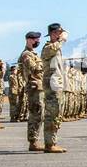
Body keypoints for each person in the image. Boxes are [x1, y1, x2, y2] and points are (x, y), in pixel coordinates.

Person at [40, 23, 68, 153]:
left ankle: (52, 142)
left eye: (61, 32)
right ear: (52, 33)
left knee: (56, 113)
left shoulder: (57, 48)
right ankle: (49, 143)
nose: (60, 34)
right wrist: (62, 40)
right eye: (58, 32)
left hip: (56, 83)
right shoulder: (48, 48)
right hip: (51, 84)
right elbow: (53, 48)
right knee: (52, 114)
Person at [20, 32, 45, 151]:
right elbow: (34, 68)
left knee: (39, 114)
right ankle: (33, 141)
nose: (37, 41)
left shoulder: (33, 54)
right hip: (34, 87)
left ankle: (35, 140)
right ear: (29, 40)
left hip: (39, 87)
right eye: (35, 39)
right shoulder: (26, 54)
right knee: (35, 114)